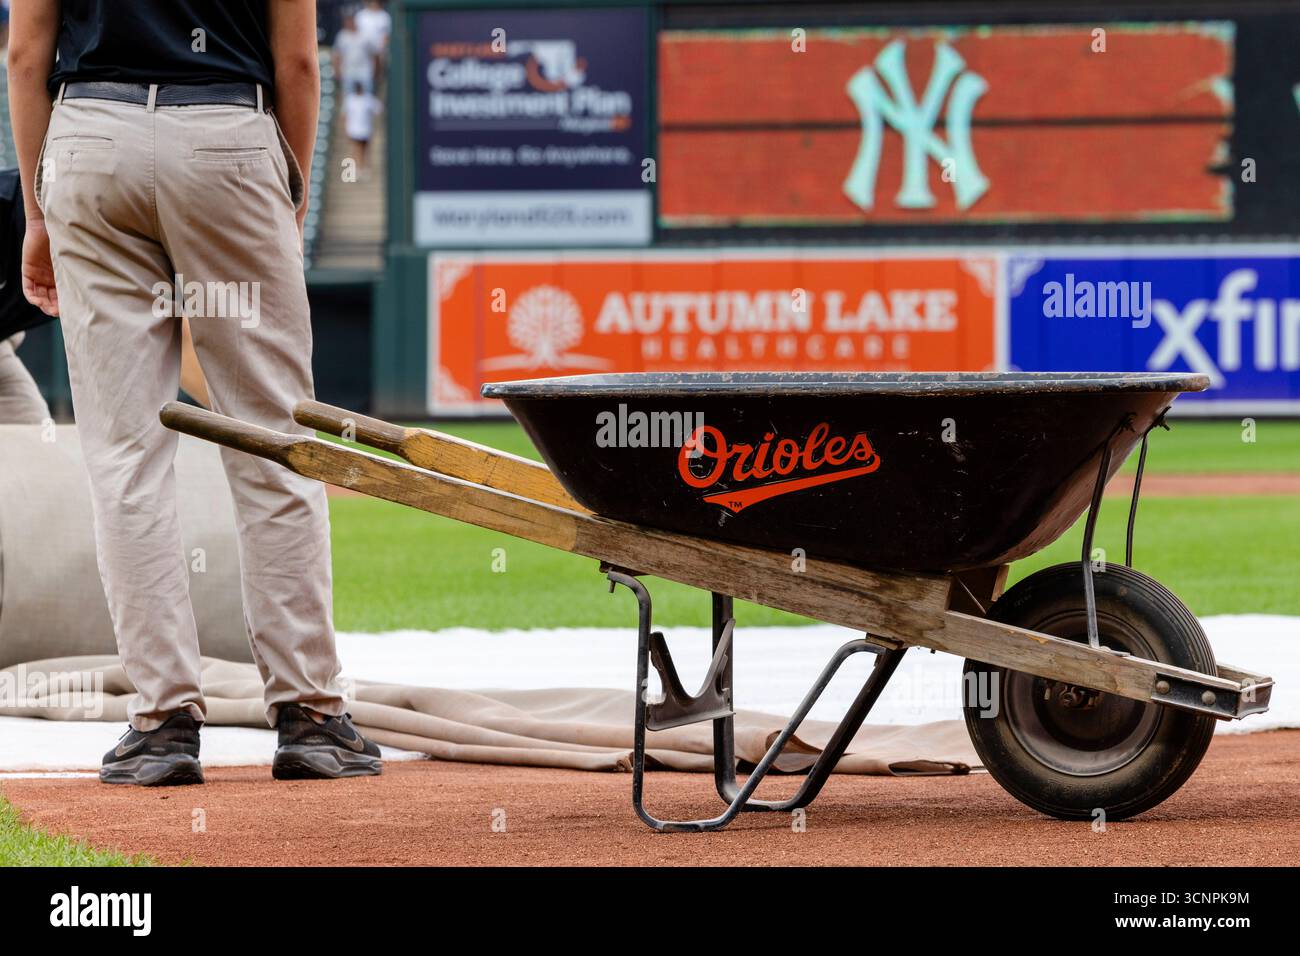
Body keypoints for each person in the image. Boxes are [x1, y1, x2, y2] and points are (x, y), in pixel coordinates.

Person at [7, 0, 381, 785]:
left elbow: (24, 55)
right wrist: (291, 187)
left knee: (124, 455)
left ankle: (162, 724)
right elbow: (300, 63)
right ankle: (311, 715)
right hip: (225, 135)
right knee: (277, 443)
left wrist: (37, 214)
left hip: (91, 138)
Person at [341, 79, 381, 176]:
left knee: (365, 150)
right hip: (354, 129)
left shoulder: (367, 99)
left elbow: (378, 110)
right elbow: (345, 114)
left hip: (365, 128)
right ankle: (356, 169)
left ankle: (365, 168)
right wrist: (345, 127)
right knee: (355, 149)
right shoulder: (350, 99)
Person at [332, 10, 373, 96]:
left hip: (364, 71)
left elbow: (374, 54)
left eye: (351, 19)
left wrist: (376, 71)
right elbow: (337, 55)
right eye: (347, 20)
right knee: (348, 100)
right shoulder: (342, 36)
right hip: (348, 71)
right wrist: (337, 71)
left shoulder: (365, 35)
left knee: (367, 98)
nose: (349, 22)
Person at [353, 0, 390, 94]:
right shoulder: (361, 15)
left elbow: (386, 36)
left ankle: (377, 92)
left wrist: (380, 49)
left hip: (379, 51)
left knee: (379, 77)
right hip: (362, 52)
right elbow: (356, 33)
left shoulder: (384, 16)